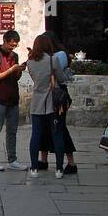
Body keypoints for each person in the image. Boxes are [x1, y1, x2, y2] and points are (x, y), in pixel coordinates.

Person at [25, 32, 66, 178]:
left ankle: (34, 167)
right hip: (51, 103)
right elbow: (61, 79)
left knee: (36, 135)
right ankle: (59, 169)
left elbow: (35, 78)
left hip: (36, 102)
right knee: (57, 135)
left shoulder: (29, 62)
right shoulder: (53, 60)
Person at [0, 28, 27, 170]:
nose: (13, 47)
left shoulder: (14, 56)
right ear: (4, 41)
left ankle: (12, 159)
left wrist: (18, 71)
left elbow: (15, 77)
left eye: (15, 45)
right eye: (11, 45)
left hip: (13, 98)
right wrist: (11, 70)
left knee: (12, 131)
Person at [37, 32, 77, 175]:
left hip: (57, 96)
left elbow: (57, 76)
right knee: (45, 127)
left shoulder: (58, 56)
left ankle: (70, 162)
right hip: (49, 94)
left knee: (58, 128)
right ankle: (43, 159)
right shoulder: (50, 57)